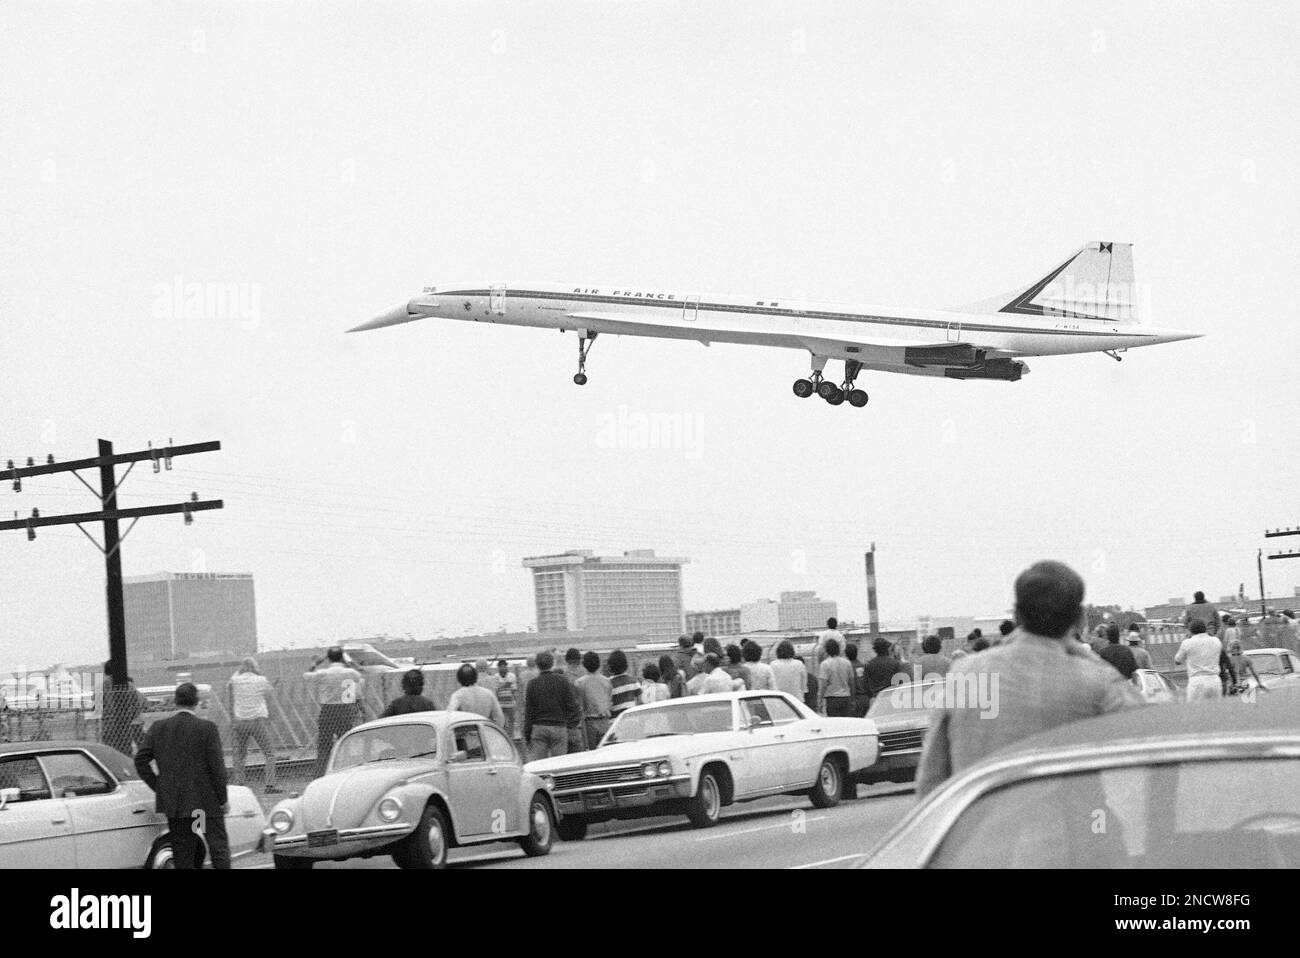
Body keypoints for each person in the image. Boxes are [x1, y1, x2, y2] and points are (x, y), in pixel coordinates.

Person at [916, 561, 1146, 798]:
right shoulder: (1096, 679)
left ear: (1016, 614)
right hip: (1071, 829)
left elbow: (931, 782)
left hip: (981, 831)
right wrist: (1088, 655)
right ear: (1078, 618)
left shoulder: (964, 673)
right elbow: (1149, 737)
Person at [134, 683, 230, 869]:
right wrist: (222, 799)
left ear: (176, 702)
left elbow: (140, 760)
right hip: (203, 805)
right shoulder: (207, 728)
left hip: (176, 804)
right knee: (217, 847)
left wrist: (160, 787)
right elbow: (217, 768)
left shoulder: (159, 728)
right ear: (196, 702)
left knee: (183, 851)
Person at [304, 647, 365, 778]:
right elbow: (359, 673)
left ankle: (319, 776)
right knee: (346, 744)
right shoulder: (349, 673)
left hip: (328, 710)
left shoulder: (323, 673)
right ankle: (348, 773)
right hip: (345, 710)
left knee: (324, 746)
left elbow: (307, 676)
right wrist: (348, 662)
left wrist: (315, 664)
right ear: (341, 657)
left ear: (329, 658)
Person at [228, 657, 280, 794]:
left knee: (240, 754)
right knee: (269, 753)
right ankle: (270, 785)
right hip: (257, 721)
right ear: (255, 667)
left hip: (239, 721)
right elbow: (270, 692)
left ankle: (240, 783)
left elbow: (230, 683)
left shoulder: (235, 680)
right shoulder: (261, 680)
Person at [522, 651, 581, 761]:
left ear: (537, 664)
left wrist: (527, 733)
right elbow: (572, 706)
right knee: (559, 765)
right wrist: (570, 725)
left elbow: (529, 711)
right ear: (552, 663)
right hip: (559, 727)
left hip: (539, 727)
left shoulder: (532, 684)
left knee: (539, 765)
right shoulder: (562, 681)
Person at [1174, 619, 1225, 701]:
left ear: (1191, 630)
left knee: (1196, 711)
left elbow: (1178, 660)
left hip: (1197, 680)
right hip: (1214, 679)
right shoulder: (1216, 641)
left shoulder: (1187, 642)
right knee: (1216, 710)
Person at [575, 651, 614, 748]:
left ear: (584, 665)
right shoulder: (607, 681)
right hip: (605, 720)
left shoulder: (580, 683)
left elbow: (580, 706)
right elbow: (609, 699)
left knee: (592, 753)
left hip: (590, 722)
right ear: (599, 663)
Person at [817, 638, 856, 716]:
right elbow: (851, 682)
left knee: (835, 725)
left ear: (827, 650)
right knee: (846, 725)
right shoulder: (847, 663)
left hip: (832, 699)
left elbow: (823, 685)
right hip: (846, 697)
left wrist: (820, 700)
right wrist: (853, 699)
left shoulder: (825, 664)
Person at [864, 637, 903, 706]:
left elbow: (866, 684)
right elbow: (900, 682)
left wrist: (872, 696)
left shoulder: (869, 664)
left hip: (876, 699)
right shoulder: (895, 663)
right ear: (887, 649)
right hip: (891, 697)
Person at [608, 649, 642, 716]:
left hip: (615, 722)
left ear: (610, 666)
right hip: (632, 720)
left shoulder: (608, 684)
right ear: (625, 664)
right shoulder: (634, 682)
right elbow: (640, 702)